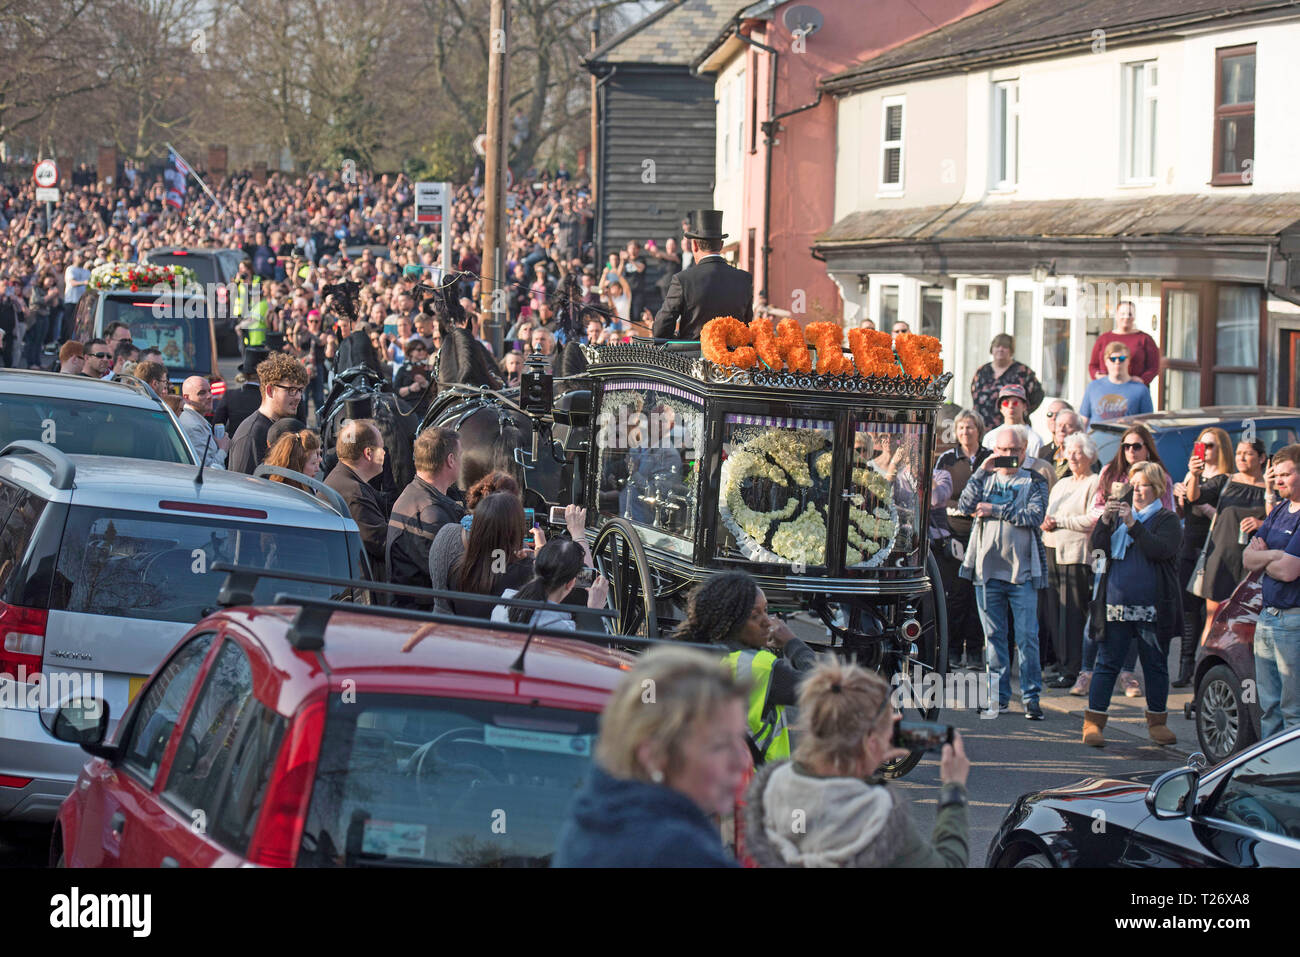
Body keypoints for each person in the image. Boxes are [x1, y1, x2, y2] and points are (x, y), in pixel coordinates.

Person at [743, 658, 970, 868]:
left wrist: (866, 758)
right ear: (870, 742)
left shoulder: (771, 788)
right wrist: (953, 790)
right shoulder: (878, 816)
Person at [552, 645, 748, 867]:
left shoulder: (594, 821)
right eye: (719, 745)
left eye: (739, 739)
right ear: (653, 755)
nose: (741, 762)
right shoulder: (677, 854)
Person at [1083, 462, 1182, 747]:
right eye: (1133, 485)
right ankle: (1094, 722)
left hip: (1153, 606)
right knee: (1107, 663)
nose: (1136, 491)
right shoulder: (1118, 517)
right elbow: (1098, 551)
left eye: (1143, 486)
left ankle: (1157, 722)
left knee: (1155, 664)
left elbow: (1159, 550)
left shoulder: (1167, 520)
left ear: (1158, 489)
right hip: (1115, 603)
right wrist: (1104, 521)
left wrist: (1132, 524)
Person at [674, 571, 816, 765]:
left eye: (766, 610)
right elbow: (825, 689)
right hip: (758, 783)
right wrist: (793, 643)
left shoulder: (690, 655)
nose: (767, 621)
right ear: (732, 623)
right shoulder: (759, 666)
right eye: (755, 616)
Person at [957, 424, 1049, 719]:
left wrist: (995, 510)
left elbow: (1035, 515)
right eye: (1003, 450)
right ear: (994, 451)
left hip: (1022, 573)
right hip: (986, 572)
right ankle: (998, 697)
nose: (1009, 455)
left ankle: (1032, 697)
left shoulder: (1034, 480)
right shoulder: (985, 478)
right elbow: (964, 505)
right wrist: (981, 471)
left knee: (1026, 637)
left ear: (1024, 452)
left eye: (1014, 450)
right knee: (994, 639)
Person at [1240, 444, 1300, 737]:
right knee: (1269, 708)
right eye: (1275, 475)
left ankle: (1292, 779)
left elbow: (1289, 571)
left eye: (1286, 475)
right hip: (1267, 617)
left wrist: (1267, 558)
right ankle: (1272, 776)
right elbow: (1247, 559)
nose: (1278, 481)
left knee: (1293, 711)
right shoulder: (1278, 511)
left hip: (1293, 621)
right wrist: (1275, 556)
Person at [1170, 427, 1233, 687]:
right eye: (1201, 445)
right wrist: (1180, 498)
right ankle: (1185, 666)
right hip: (1190, 544)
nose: (1204, 450)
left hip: (1214, 547)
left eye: (1210, 446)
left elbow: (1224, 519)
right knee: (1188, 610)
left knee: (1211, 612)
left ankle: (1203, 666)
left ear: (1221, 449)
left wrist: (1200, 503)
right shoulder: (1192, 474)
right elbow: (1183, 515)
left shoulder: (1227, 479)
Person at [1197, 438, 1269, 648]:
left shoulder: (1270, 489)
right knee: (1213, 617)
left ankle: (1235, 667)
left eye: (1248, 453)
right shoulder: (1226, 481)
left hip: (1252, 564)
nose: (1242, 458)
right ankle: (1205, 668)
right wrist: (1193, 474)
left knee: (1245, 622)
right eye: (1238, 453)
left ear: (1262, 458)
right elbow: (1195, 497)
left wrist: (1259, 522)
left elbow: (1276, 522)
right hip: (1221, 559)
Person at [1043, 432, 1100, 689]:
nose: (1074, 456)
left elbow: (1093, 519)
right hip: (1051, 548)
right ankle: (1060, 665)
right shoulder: (1061, 484)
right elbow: (1048, 513)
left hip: (1077, 554)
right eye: (1070, 451)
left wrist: (1061, 522)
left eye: (1079, 452)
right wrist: (1047, 522)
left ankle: (1074, 668)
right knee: (1053, 611)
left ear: (1089, 455)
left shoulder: (1095, 482)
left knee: (1072, 614)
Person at [935, 410, 991, 669]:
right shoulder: (947, 459)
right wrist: (962, 506)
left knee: (978, 592)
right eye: (961, 428)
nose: (966, 432)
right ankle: (954, 650)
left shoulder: (990, 458)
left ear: (978, 429)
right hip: (954, 532)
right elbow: (938, 495)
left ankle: (977, 651)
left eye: (970, 427)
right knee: (956, 592)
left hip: (984, 532)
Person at [385, 427, 465, 607]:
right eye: (460, 455)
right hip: (422, 617)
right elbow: (454, 576)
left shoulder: (416, 493)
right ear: (450, 460)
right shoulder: (431, 514)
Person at [652, 209, 754, 340]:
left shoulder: (682, 280)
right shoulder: (744, 279)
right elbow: (748, 326)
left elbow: (661, 329)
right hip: (733, 357)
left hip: (692, 357)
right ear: (721, 245)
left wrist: (677, 338)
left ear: (694, 245)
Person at [441, 491, 536, 619]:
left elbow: (493, 568)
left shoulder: (457, 567)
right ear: (515, 529)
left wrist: (511, 558)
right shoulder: (524, 572)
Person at [324, 418, 391, 580]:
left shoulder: (341, 477)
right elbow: (385, 545)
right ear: (368, 453)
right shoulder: (355, 494)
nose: (384, 453)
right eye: (382, 448)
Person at [492, 538, 609, 628]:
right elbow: (598, 655)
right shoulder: (562, 628)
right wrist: (595, 612)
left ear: (534, 565)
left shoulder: (501, 607)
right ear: (571, 583)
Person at [227, 353, 310, 474]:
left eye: (300, 390)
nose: (298, 397)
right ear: (270, 390)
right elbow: (243, 488)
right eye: (291, 390)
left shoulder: (280, 427)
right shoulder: (251, 436)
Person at [970, 333, 1044, 432]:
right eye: (997, 346)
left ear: (1011, 351)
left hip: (1013, 429)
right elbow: (974, 393)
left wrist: (1022, 412)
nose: (1000, 349)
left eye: (1005, 347)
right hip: (983, 428)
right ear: (992, 349)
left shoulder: (1023, 372)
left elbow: (1037, 395)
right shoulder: (982, 371)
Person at [1079, 341, 1153, 424]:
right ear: (1106, 362)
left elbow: (1148, 423)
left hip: (1125, 436)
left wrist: (1130, 422)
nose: (1117, 362)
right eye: (1112, 359)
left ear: (1128, 361)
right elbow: (1083, 420)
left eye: (1122, 359)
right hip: (1094, 436)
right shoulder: (1093, 387)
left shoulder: (1141, 390)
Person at [1088, 299, 1160, 384]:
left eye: (1130, 314)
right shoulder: (1103, 339)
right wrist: (1097, 376)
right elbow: (1093, 365)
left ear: (1134, 316)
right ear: (1116, 315)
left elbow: (1154, 366)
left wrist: (1143, 380)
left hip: (1134, 388)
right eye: (1122, 314)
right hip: (1106, 388)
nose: (1126, 317)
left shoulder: (1145, 339)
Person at [214, 346, 269, 436]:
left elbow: (217, 426)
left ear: (245, 374)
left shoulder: (230, 395)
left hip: (234, 446)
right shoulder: (269, 398)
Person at [980, 383, 1044, 458]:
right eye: (1006, 403)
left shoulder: (1034, 439)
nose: (1010, 406)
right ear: (1000, 408)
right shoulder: (990, 438)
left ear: (1024, 406)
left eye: (1015, 403)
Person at [179, 375, 229, 468]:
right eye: (202, 393)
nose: (209, 396)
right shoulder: (192, 427)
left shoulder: (195, 419)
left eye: (210, 391)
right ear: (186, 398)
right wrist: (223, 449)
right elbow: (207, 470)